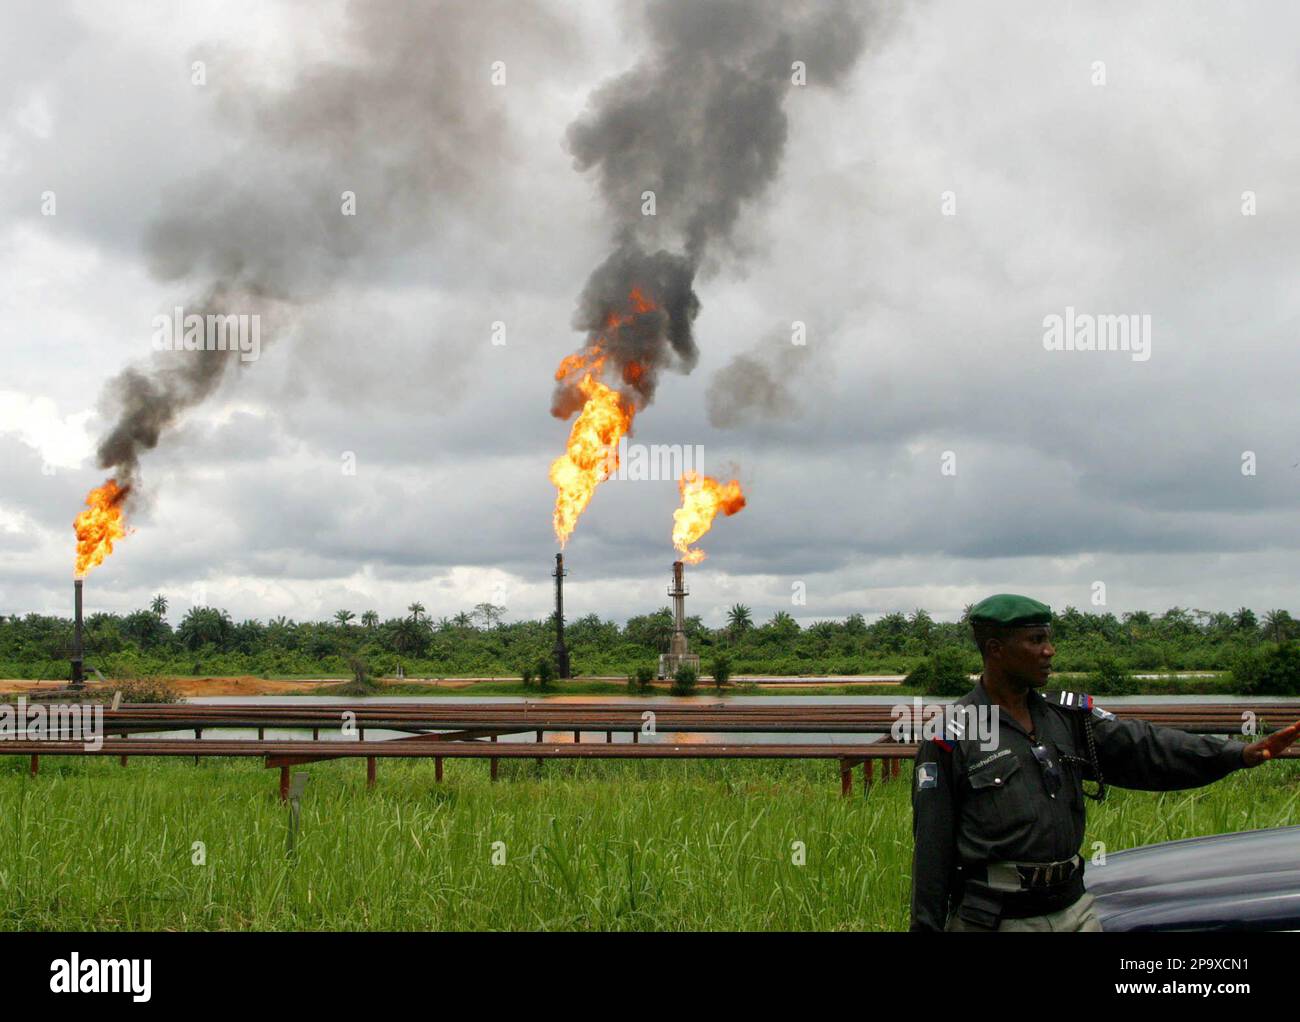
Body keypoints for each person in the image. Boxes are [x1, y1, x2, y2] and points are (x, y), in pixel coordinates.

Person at [909, 593, 1300, 932]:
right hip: (997, 920)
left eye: (1049, 638)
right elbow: (932, 850)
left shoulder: (1066, 717)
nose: (1050, 651)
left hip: (1074, 911)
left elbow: (1144, 746)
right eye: (1036, 640)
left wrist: (1238, 754)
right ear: (995, 649)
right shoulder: (952, 737)